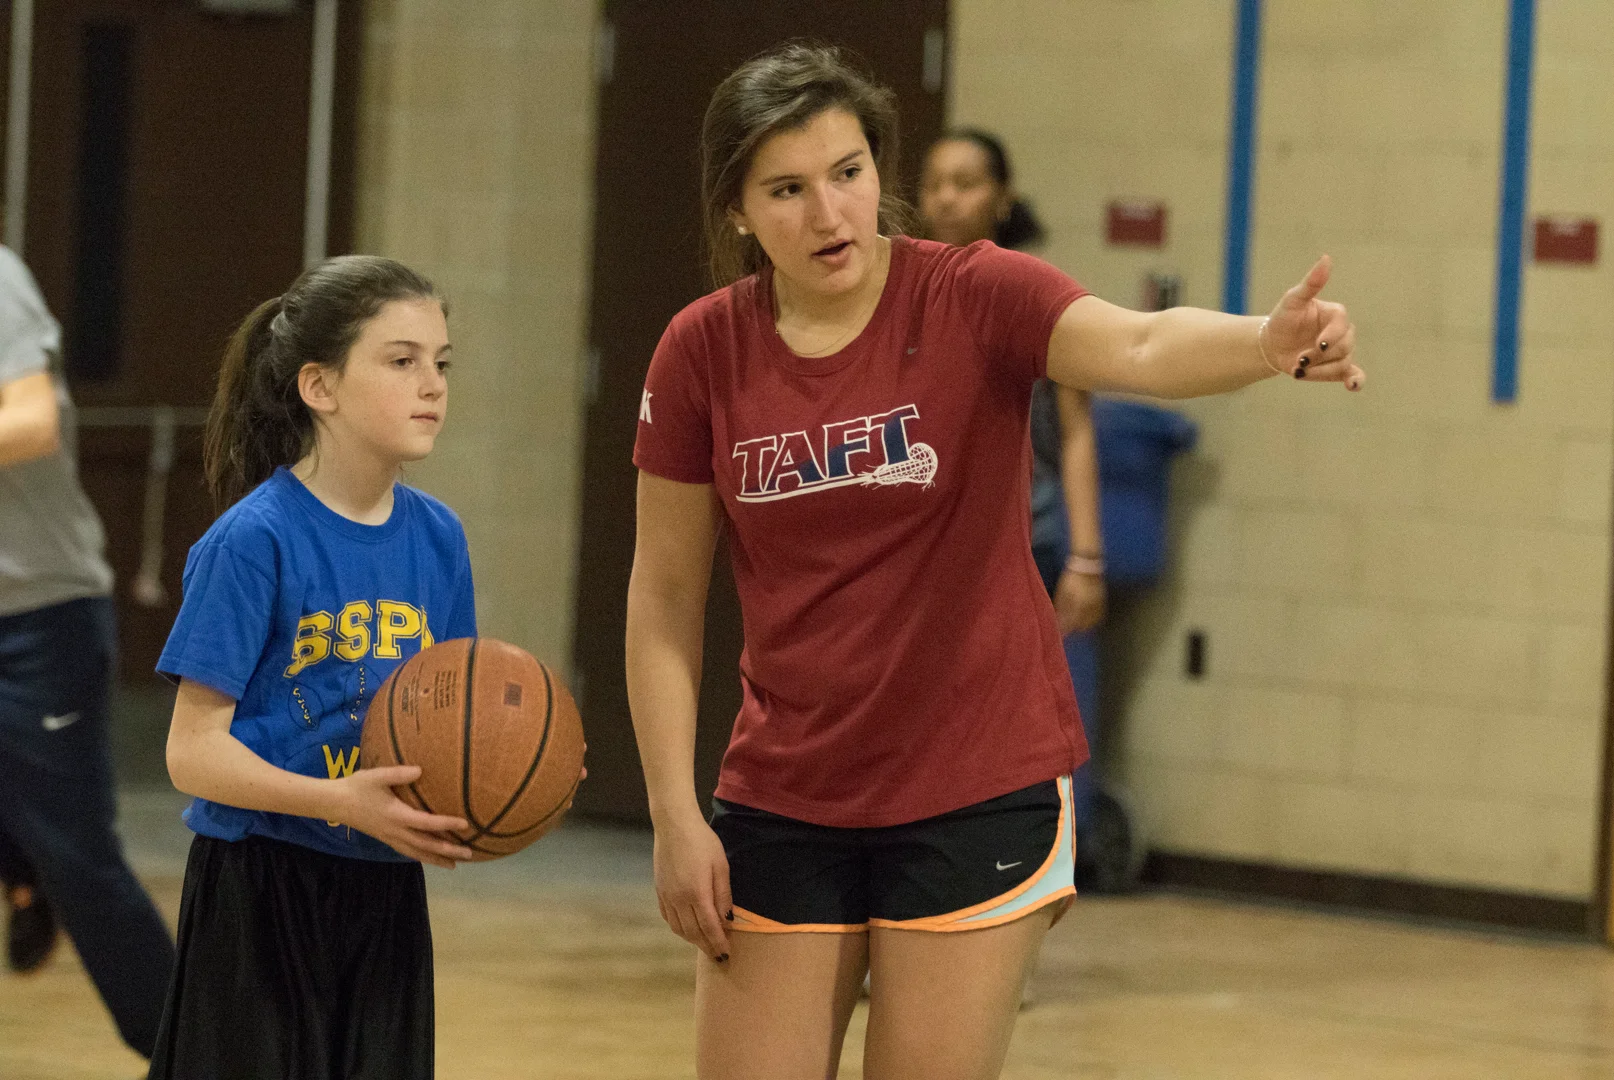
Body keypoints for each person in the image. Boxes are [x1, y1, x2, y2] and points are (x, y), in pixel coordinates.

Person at [626, 43, 1362, 1080]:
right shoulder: (701, 351)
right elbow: (661, 600)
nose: (829, 213)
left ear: (883, 171)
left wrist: (1266, 341)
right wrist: (671, 814)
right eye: (786, 190)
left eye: (847, 173)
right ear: (739, 210)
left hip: (973, 782)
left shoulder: (973, 295)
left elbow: (1142, 345)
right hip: (787, 790)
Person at [147, 255, 479, 1080]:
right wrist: (338, 800)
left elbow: (452, 717)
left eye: (440, 363)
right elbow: (191, 753)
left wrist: (514, 765)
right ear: (319, 387)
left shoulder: (440, 539)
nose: (431, 384)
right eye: (401, 361)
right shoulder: (253, 541)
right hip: (261, 888)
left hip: (385, 891)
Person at [919, 129, 1111, 873]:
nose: (946, 196)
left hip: (1025, 544)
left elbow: (1076, 429)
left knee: (1008, 741)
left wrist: (1088, 556)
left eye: (966, 181)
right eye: (934, 180)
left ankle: (1013, 899)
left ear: (1002, 198)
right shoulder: (903, 295)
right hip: (933, 556)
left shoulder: (1035, 292)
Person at [0, 243, 175, 1056]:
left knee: (81, 859)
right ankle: (20, 862)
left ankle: (189, 1051)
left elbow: (32, 421)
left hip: (37, 614)